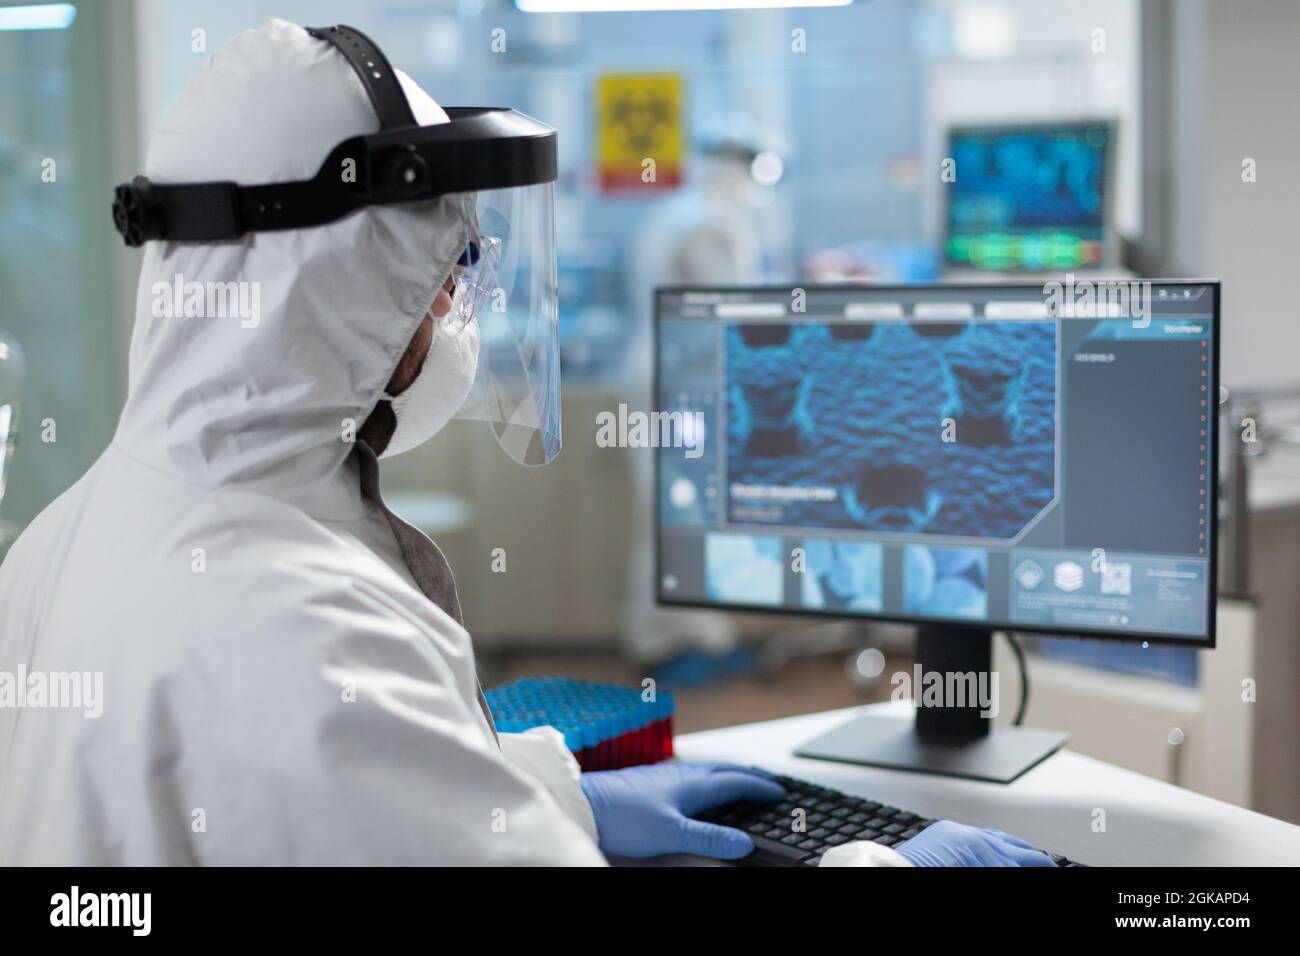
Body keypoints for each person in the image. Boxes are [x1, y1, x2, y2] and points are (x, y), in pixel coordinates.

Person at [0, 19, 1049, 867]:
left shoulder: (57, 540)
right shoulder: (309, 631)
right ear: (334, 283)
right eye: (436, 263)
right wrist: (884, 864)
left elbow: (372, 819)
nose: (453, 299)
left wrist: (551, 792)